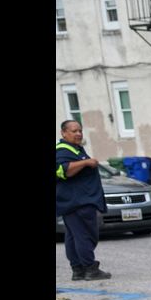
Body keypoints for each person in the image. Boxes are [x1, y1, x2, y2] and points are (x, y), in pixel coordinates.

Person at [56, 120, 112, 281]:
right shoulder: (62, 150)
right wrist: (87, 162)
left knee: (73, 236)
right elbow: (63, 171)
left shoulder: (74, 149)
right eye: (74, 131)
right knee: (86, 235)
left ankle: (78, 269)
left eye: (80, 130)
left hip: (74, 201)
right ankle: (89, 268)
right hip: (78, 202)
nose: (78, 134)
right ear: (64, 133)